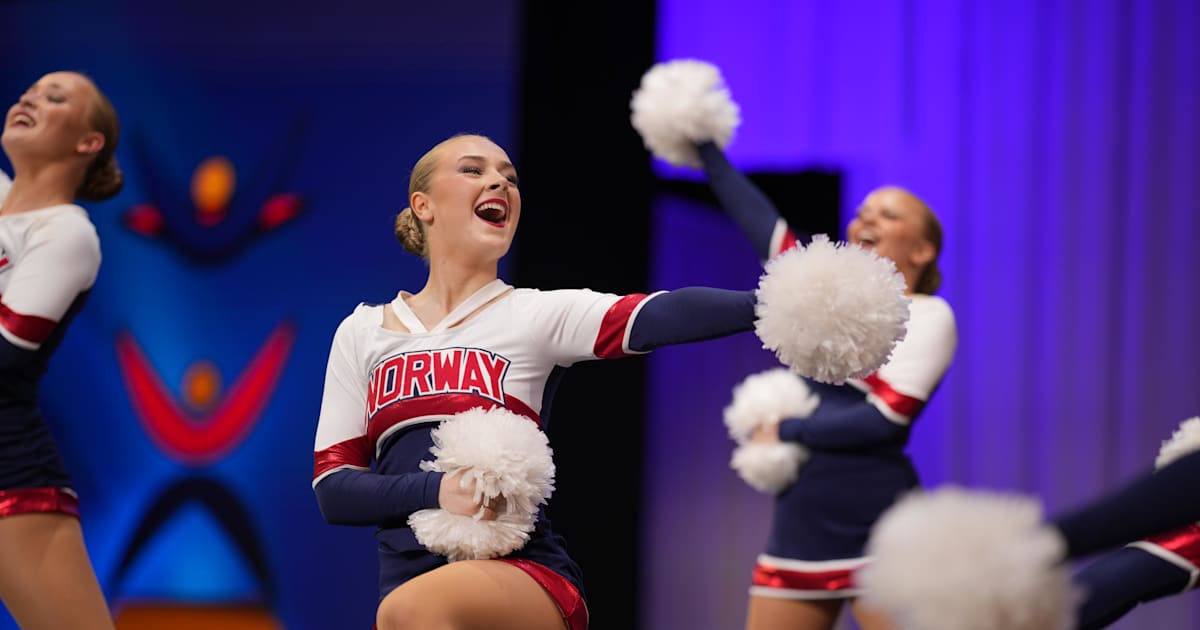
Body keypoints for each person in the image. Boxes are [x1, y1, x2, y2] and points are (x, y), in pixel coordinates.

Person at [312, 133, 783, 630]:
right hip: (411, 584)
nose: (499, 181)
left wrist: (779, 302)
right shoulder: (363, 331)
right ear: (423, 205)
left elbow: (659, 313)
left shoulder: (533, 313)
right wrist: (438, 490)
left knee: (412, 610)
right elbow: (334, 490)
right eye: (473, 170)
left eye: (509, 178)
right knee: (409, 609)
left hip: (523, 576)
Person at [694, 140, 957, 630]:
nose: (866, 220)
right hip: (802, 522)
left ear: (923, 250)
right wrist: (704, 146)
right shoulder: (825, 299)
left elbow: (885, 423)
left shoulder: (930, 313)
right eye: (862, 212)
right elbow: (762, 224)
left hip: (882, 524)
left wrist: (787, 431)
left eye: (889, 214)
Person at [0, 70, 122, 628]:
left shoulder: (65, 232)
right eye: (29, 90)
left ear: (87, 142)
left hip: (11, 479)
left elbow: (6, 361)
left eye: (54, 98)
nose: (29, 98)